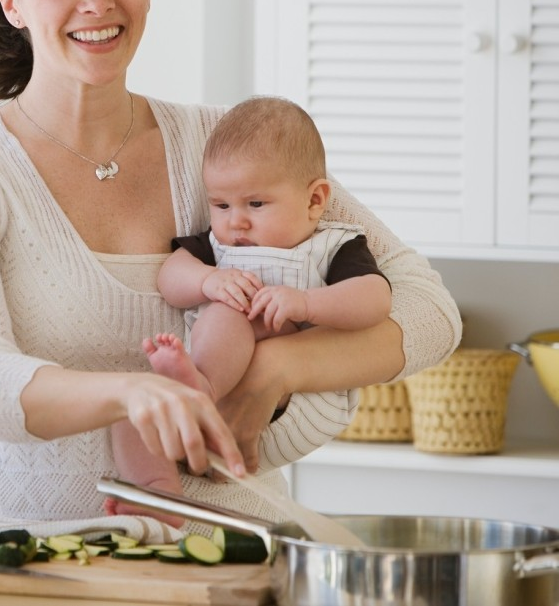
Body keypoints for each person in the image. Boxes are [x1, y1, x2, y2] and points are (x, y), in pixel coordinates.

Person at [0, 0, 461, 545]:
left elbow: (431, 310)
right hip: (33, 561)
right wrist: (132, 391)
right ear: (11, 0)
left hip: (235, 552)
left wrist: (283, 364)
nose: (97, 0)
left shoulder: (225, 147)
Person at [109, 96, 393, 508]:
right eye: (221, 205)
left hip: (295, 397)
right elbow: (171, 277)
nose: (235, 221)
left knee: (233, 314)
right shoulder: (216, 245)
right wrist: (208, 279)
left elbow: (375, 299)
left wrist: (308, 303)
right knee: (129, 409)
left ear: (315, 200)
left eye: (255, 204)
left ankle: (201, 383)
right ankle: (159, 496)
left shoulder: (333, 244)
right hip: (217, 377)